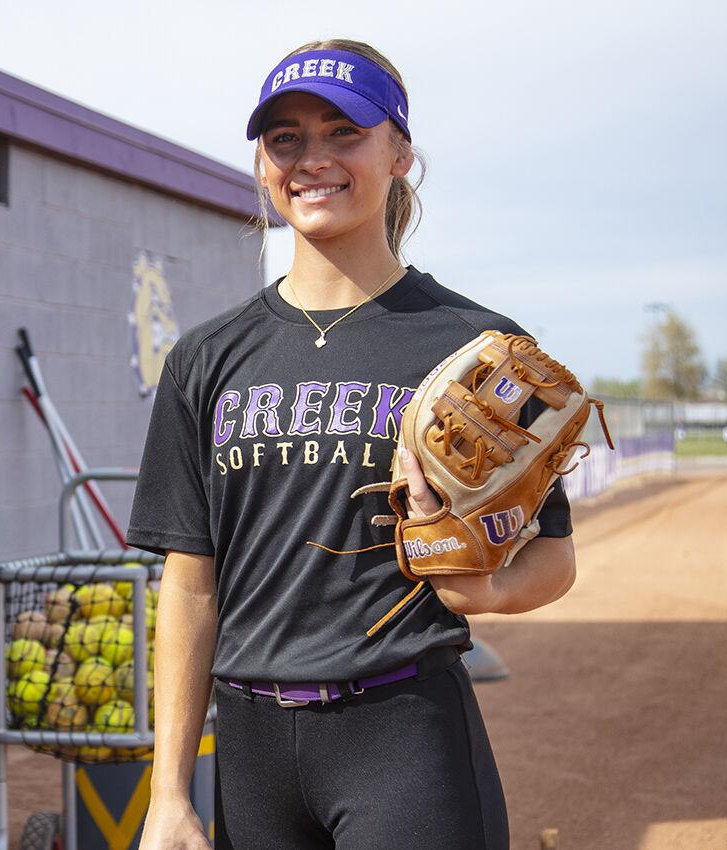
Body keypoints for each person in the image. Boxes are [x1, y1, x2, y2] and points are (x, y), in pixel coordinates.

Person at [129, 39, 577, 850]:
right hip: (253, 751)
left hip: (401, 733)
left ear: (400, 153)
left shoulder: (474, 346)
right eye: (286, 139)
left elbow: (553, 558)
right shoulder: (205, 357)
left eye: (345, 132)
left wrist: (487, 594)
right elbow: (191, 586)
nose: (313, 160)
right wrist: (168, 792)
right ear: (264, 164)